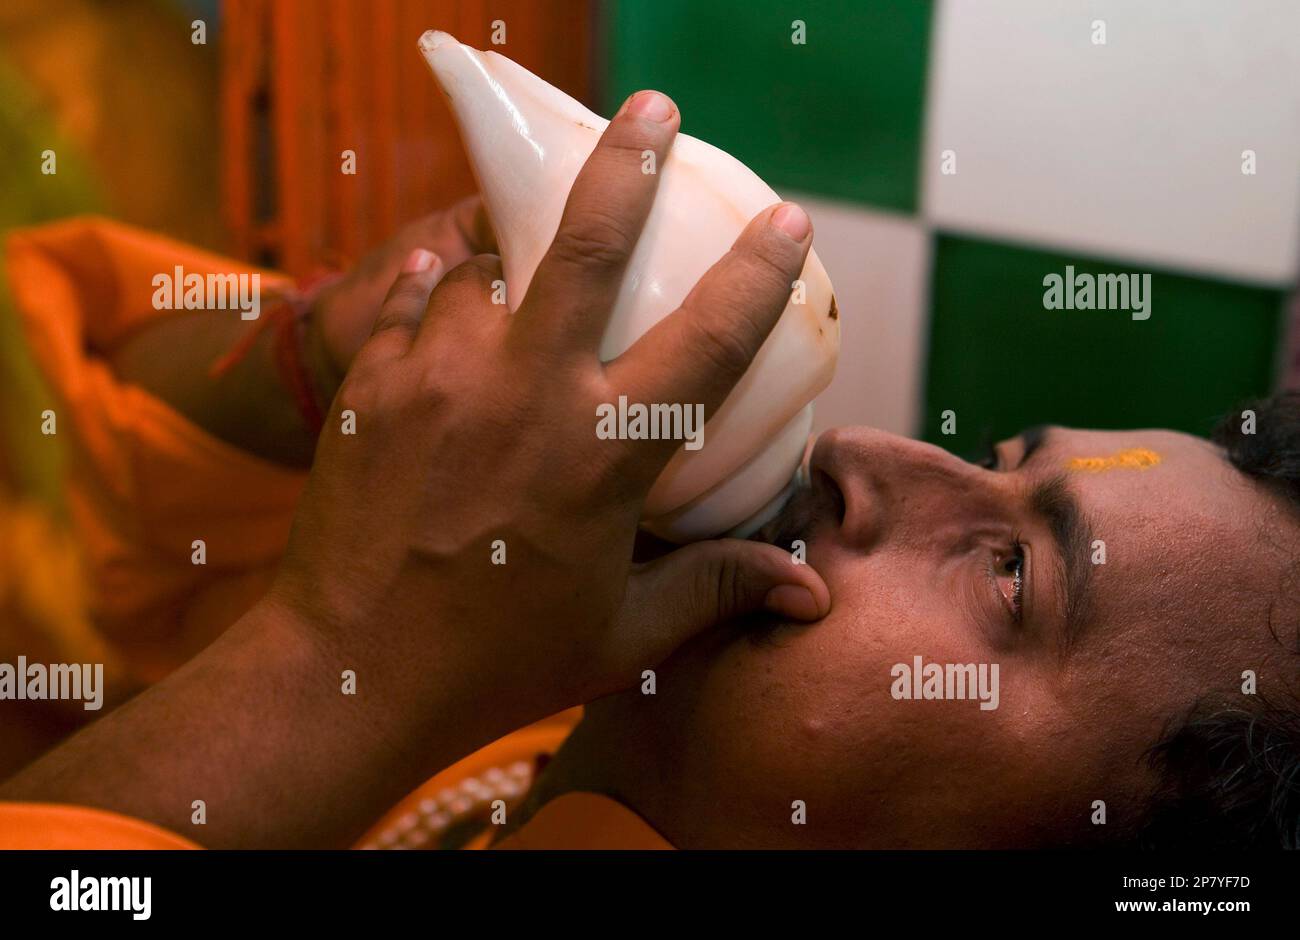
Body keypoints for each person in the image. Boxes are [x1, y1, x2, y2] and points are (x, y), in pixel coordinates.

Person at [0, 91, 829, 848]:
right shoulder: (543, 641)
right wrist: (313, 364)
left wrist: (353, 644)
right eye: (964, 451)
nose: (871, 456)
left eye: (970, 580)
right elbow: (113, 495)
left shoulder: (490, 641)